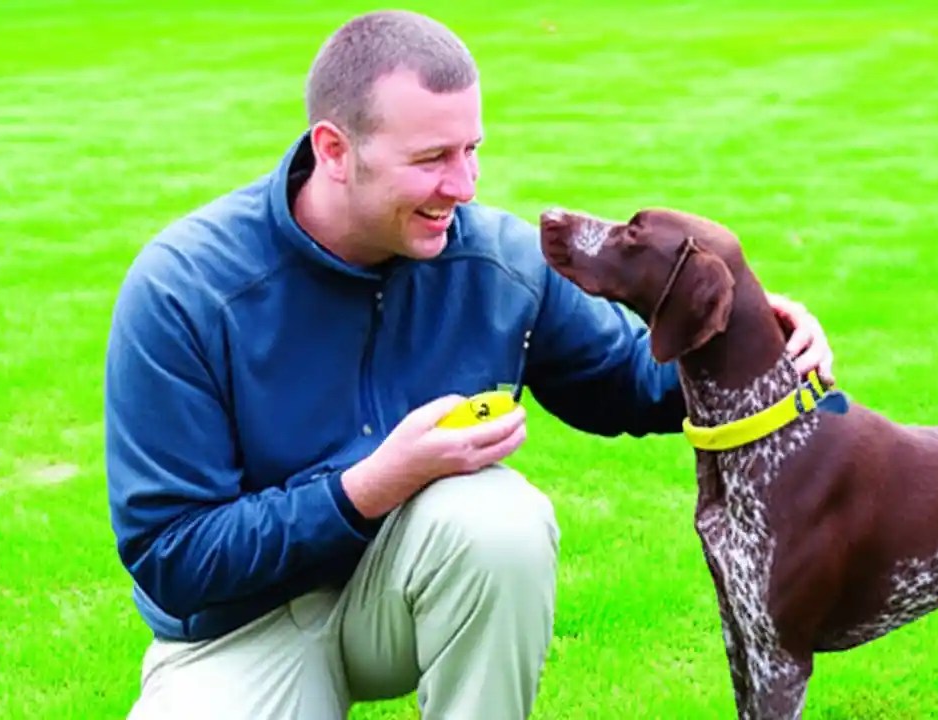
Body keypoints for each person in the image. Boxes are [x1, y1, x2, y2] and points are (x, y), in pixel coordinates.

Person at [104, 9, 835, 720]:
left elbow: (632, 386)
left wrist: (758, 344)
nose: (465, 186)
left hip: (410, 593)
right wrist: (372, 484)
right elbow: (173, 554)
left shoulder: (498, 262)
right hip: (243, 627)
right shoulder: (186, 288)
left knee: (498, 520)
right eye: (431, 160)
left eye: (471, 149)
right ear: (333, 149)